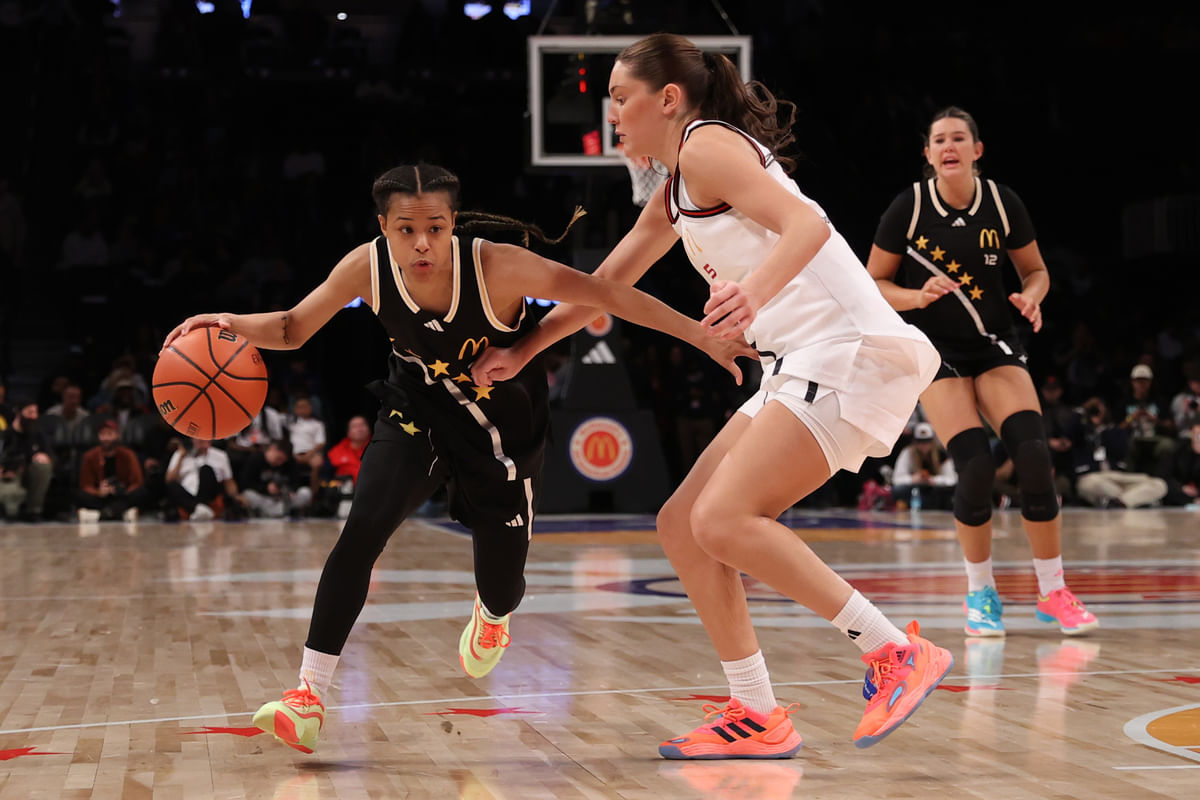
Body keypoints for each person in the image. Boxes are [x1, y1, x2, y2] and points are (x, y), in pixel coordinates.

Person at [160, 161, 751, 754]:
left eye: (436, 228)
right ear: (384, 228)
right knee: (361, 531)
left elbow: (607, 295)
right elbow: (292, 328)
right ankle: (306, 695)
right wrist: (229, 322)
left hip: (502, 432)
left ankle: (493, 613)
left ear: (453, 225)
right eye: (406, 229)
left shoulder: (499, 266)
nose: (422, 243)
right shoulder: (366, 267)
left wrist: (701, 335)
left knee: (502, 584)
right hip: (416, 415)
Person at [471, 33, 953, 757]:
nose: (614, 119)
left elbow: (809, 225)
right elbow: (605, 285)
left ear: (668, 99)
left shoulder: (704, 146)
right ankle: (756, 711)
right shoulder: (672, 190)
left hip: (847, 348)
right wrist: (523, 349)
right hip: (797, 359)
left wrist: (749, 294)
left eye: (621, 100)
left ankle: (894, 651)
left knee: (725, 519)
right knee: (682, 523)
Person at [866, 106, 1098, 639]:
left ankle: (1053, 591)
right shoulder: (908, 207)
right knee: (973, 467)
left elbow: (1036, 271)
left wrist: (1032, 297)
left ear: (976, 150)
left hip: (994, 345)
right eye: (938, 140)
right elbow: (873, 283)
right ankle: (980, 591)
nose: (948, 146)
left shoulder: (1001, 202)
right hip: (937, 351)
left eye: (958, 138)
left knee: (1035, 458)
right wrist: (914, 296)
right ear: (927, 155)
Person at [76, 418, 148, 522]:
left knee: (141, 492)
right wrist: (98, 492)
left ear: (117, 435)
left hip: (122, 495)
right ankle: (119, 513)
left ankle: (100, 514)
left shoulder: (128, 455)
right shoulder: (90, 456)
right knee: (80, 495)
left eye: (109, 434)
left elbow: (137, 482)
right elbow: (85, 484)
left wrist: (122, 490)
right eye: (103, 434)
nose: (106, 438)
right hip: (100, 496)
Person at [0, 397, 54, 521]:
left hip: (30, 475)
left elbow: (51, 456)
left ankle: (34, 511)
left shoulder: (38, 434)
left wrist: (45, 457)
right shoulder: (5, 435)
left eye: (36, 412)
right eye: (30, 412)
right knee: (11, 509)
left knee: (43, 465)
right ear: (19, 413)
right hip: (9, 476)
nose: (34, 416)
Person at [164, 437, 243, 521]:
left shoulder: (220, 455)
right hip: (187, 495)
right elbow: (169, 479)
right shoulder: (179, 454)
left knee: (206, 469)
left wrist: (236, 495)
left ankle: (200, 508)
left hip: (209, 494)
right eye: (197, 438)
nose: (200, 440)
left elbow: (228, 481)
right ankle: (198, 509)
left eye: (203, 438)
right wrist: (181, 456)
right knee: (172, 485)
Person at [891, 422, 957, 510]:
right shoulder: (908, 453)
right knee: (898, 490)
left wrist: (933, 480)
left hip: (935, 489)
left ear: (932, 441)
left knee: (951, 491)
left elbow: (952, 480)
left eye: (926, 442)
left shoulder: (942, 455)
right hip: (915, 488)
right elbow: (896, 479)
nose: (923, 446)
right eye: (920, 442)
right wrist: (913, 479)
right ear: (914, 441)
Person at [239, 439, 312, 518]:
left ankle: (277, 512)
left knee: (305, 492)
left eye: (283, 461)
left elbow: (296, 481)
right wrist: (266, 488)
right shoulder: (255, 459)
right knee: (248, 495)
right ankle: (278, 512)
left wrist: (291, 490)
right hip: (264, 498)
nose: (280, 463)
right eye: (279, 458)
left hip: (284, 499)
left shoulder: (290, 462)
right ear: (273, 449)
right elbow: (245, 483)